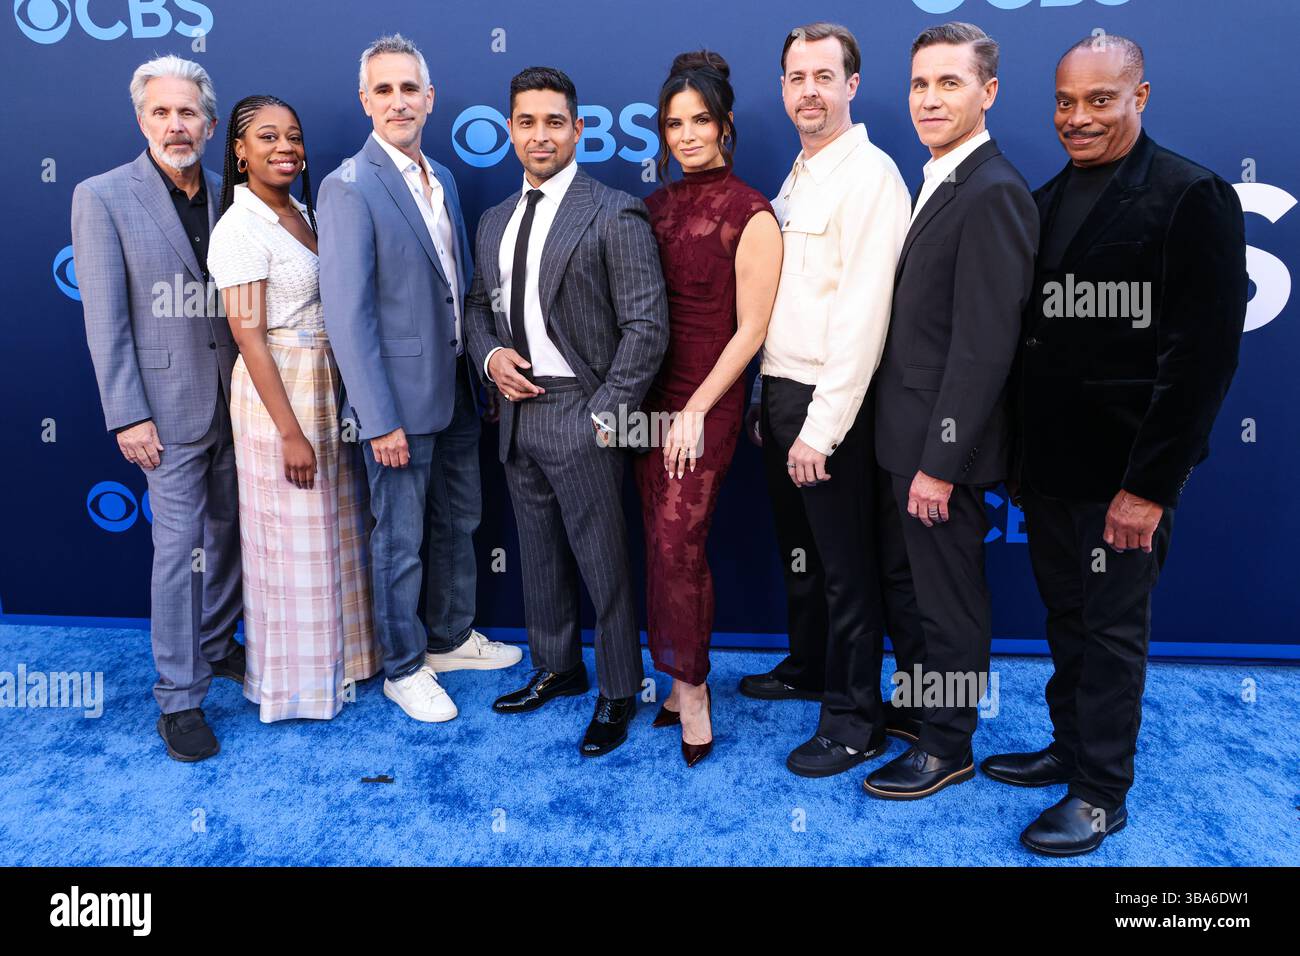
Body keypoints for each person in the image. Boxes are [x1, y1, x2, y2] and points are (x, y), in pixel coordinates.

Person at [985, 35, 1247, 855]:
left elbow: (1200, 360)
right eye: (1065, 102)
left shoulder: (1190, 195)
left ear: (1140, 96)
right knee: (1069, 620)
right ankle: (1070, 749)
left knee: (1111, 632)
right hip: (1052, 474)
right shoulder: (1046, 196)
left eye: (1100, 99)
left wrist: (1150, 487)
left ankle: (1101, 793)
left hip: (1124, 483)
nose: (1078, 117)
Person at [465, 67, 669, 757]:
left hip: (585, 409)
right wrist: (490, 358)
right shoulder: (493, 219)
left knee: (603, 561)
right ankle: (557, 667)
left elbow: (647, 326)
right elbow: (473, 308)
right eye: (527, 122)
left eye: (555, 122)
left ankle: (618, 689)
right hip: (517, 411)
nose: (540, 135)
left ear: (578, 130)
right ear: (511, 131)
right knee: (539, 555)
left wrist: (607, 414)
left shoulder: (613, 210)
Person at [319, 34, 520, 725]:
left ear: (429, 99)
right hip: (397, 406)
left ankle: (449, 638)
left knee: (459, 520)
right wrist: (377, 418)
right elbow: (347, 316)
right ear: (365, 101)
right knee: (400, 540)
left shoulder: (444, 177)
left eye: (410, 89)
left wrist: (482, 378)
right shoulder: (347, 186)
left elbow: (456, 290)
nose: (398, 101)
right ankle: (403, 668)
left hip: (459, 391)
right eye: (384, 90)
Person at [862, 23, 1037, 800]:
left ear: (988, 92)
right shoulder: (939, 175)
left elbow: (982, 350)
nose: (930, 99)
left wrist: (938, 463)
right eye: (920, 84)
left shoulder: (994, 191)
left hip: (940, 452)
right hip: (902, 439)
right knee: (918, 596)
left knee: (949, 603)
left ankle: (948, 747)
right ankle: (926, 716)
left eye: (950, 84)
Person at [741, 22, 911, 778]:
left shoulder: (870, 177)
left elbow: (863, 319)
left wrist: (821, 428)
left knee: (847, 572)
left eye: (823, 76)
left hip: (828, 406)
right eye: (795, 76)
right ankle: (810, 667)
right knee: (801, 558)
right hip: (782, 394)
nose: (808, 90)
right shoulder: (801, 175)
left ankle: (854, 721)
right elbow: (786, 302)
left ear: (851, 85)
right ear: (782, 89)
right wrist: (764, 397)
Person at [72, 55, 243, 762]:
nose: (176, 125)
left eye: (188, 113)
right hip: (165, 410)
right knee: (178, 553)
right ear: (142, 119)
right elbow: (105, 319)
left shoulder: (232, 193)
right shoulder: (102, 195)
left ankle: (214, 646)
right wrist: (126, 414)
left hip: (242, 401)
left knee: (231, 536)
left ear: (208, 122)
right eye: (161, 113)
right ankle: (179, 698)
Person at [208, 95, 380, 721]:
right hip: (278, 388)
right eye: (267, 136)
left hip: (324, 380)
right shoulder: (240, 227)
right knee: (292, 540)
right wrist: (290, 432)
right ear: (239, 151)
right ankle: (296, 687)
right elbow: (247, 335)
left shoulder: (302, 210)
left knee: (334, 530)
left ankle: (347, 663)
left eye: (294, 136)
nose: (284, 147)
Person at [635, 51, 782, 766]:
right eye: (673, 123)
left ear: (725, 127)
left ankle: (694, 690)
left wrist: (694, 407)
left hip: (708, 399)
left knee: (678, 546)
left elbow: (751, 330)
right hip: (647, 400)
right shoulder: (652, 208)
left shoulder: (751, 211)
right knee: (656, 548)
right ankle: (672, 681)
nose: (686, 135)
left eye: (699, 121)